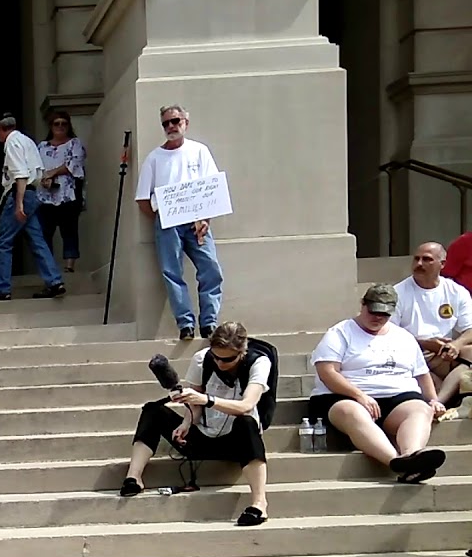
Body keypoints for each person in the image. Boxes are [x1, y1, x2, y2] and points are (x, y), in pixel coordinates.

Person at [120, 323, 271, 526]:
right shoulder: (202, 359)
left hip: (238, 441)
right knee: (152, 410)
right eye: (216, 357)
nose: (220, 363)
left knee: (246, 422)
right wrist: (186, 423)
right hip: (203, 436)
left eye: (227, 359)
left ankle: (259, 503)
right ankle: (134, 477)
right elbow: (195, 406)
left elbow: (247, 405)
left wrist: (207, 399)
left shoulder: (259, 362)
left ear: (242, 351)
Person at [308, 284, 447, 483]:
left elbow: (422, 374)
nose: (377, 318)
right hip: (344, 396)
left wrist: (433, 399)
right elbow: (327, 372)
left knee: (421, 410)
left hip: (398, 396)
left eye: (384, 314)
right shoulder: (340, 332)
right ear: (363, 305)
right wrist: (359, 395)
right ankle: (396, 462)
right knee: (353, 412)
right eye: (373, 312)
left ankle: (412, 455)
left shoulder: (404, 337)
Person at [134, 104, 226, 341]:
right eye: (166, 123)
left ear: (185, 122)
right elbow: (143, 198)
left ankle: (209, 322)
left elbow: (212, 189)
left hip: (197, 221)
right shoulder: (154, 158)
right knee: (172, 272)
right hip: (168, 222)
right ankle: (185, 323)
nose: (171, 127)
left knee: (210, 269)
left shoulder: (199, 151)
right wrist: (163, 218)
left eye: (175, 121)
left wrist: (206, 218)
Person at [0, 113, 66, 302]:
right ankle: (54, 280)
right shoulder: (27, 141)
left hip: (21, 194)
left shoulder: (11, 143)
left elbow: (20, 175)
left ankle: (1, 288)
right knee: (37, 240)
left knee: (2, 242)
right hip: (33, 194)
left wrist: (18, 204)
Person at [391, 241, 472, 413]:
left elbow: (470, 329)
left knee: (470, 352)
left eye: (426, 259)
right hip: (413, 353)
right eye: (416, 259)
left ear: (442, 264)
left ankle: (438, 401)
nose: (419, 264)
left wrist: (455, 345)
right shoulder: (398, 293)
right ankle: (440, 400)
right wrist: (425, 344)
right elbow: (388, 334)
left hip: (446, 353)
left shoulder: (456, 291)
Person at [36, 109, 87, 273]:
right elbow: (35, 167)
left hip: (68, 195)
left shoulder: (75, 143)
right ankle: (48, 267)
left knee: (69, 230)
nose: (60, 127)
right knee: (45, 232)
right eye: (56, 123)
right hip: (45, 196)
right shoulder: (42, 146)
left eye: (64, 123)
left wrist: (52, 173)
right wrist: (44, 178)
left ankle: (69, 266)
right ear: (50, 126)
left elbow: (74, 164)